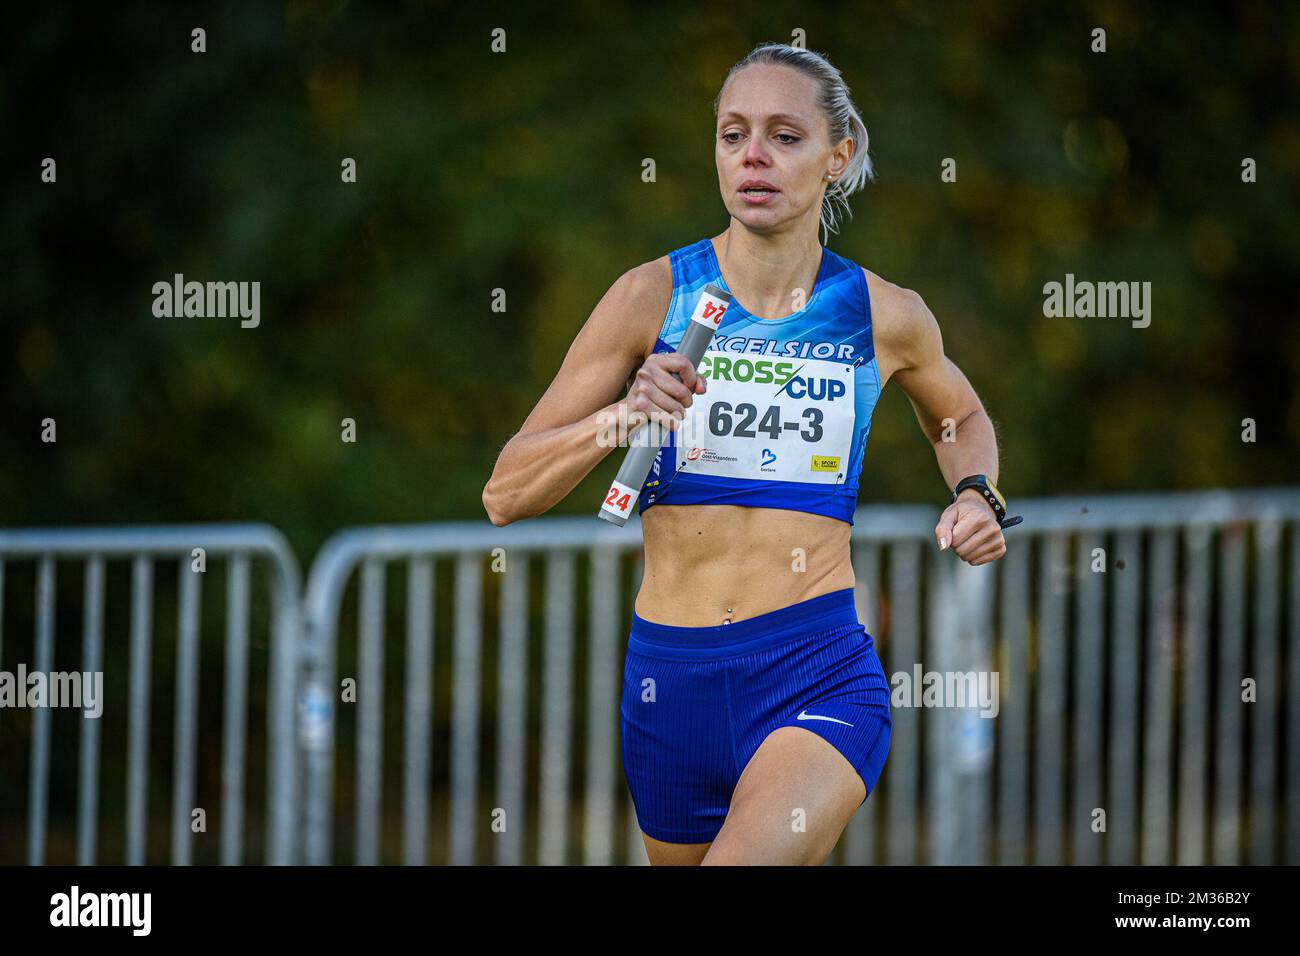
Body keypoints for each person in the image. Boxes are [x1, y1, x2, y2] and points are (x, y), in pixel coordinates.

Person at [482, 42, 1014, 865]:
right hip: (670, 679)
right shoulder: (651, 296)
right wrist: (622, 417)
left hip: (817, 666)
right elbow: (505, 492)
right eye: (733, 135)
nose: (753, 156)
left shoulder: (885, 314)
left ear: (838, 158)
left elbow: (961, 414)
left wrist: (978, 492)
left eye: (784, 136)